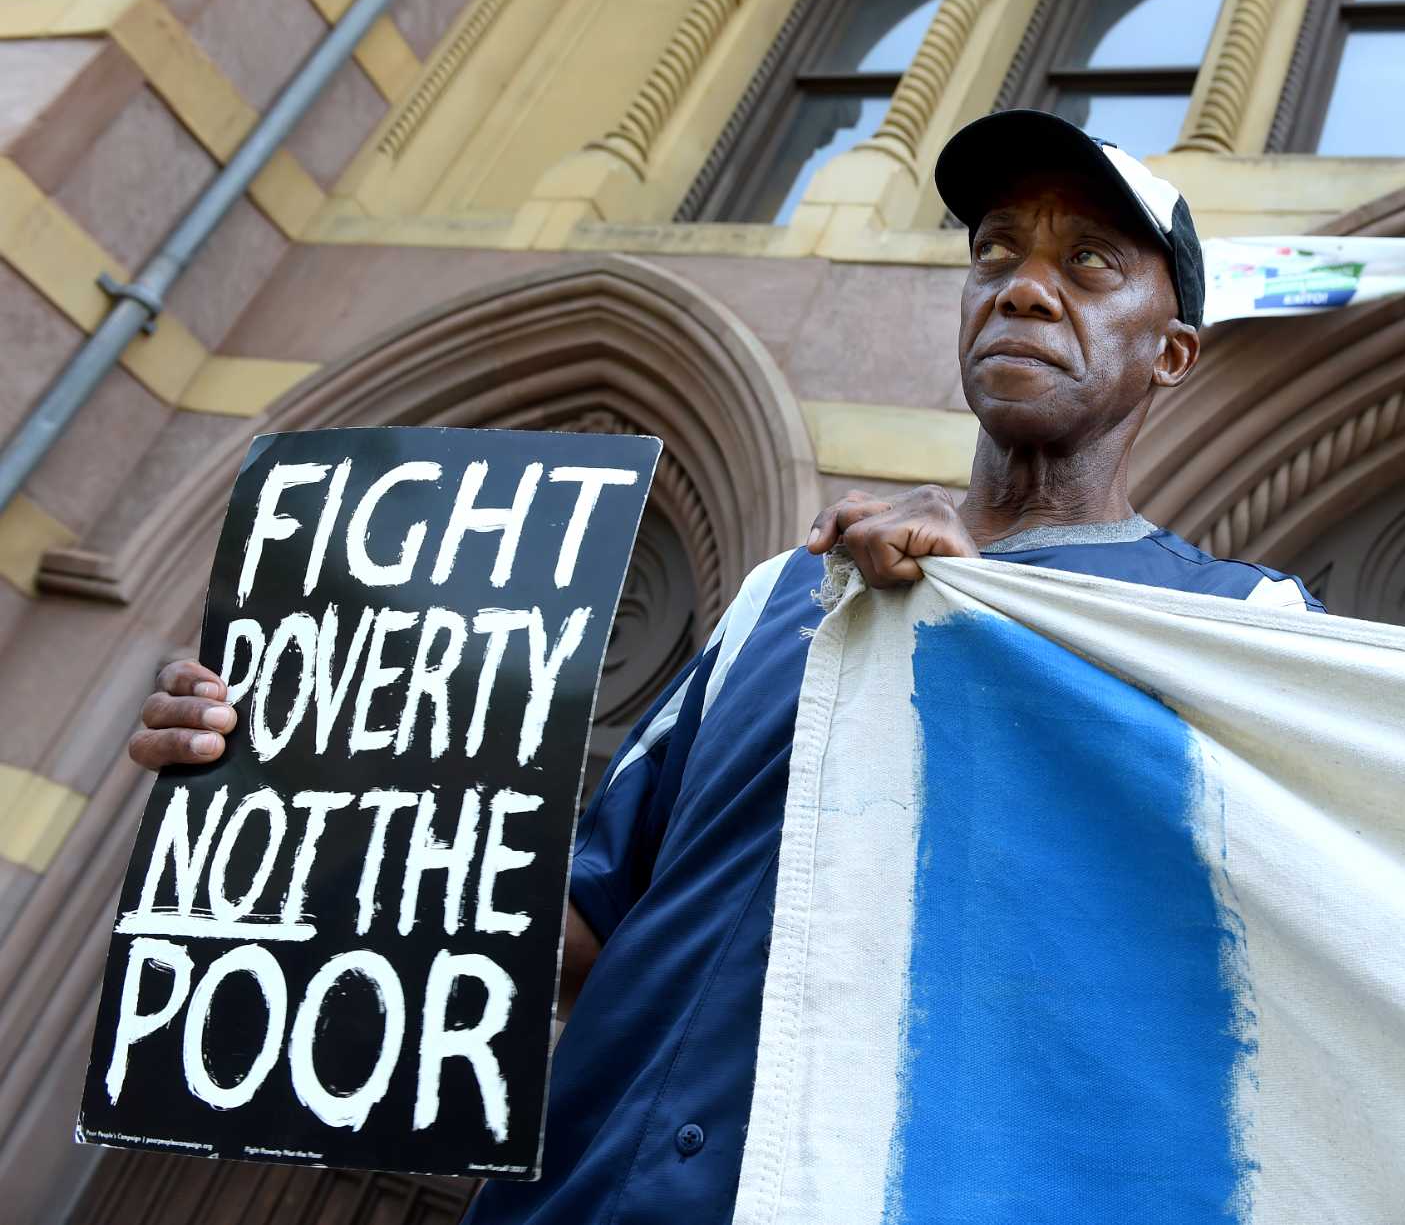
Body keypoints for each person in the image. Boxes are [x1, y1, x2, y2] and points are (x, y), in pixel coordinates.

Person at [127, 109, 1324, 1223]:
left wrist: (994, 631)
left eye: (1089, 265)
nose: (1020, 286)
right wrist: (302, 772)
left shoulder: (1250, 630)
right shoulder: (778, 596)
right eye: (996, 251)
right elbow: (576, 929)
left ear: (1170, 354)